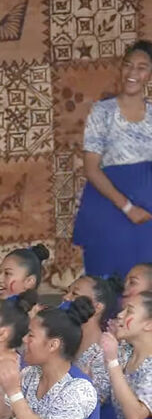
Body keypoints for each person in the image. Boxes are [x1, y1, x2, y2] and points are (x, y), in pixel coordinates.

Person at [73, 40, 152, 278]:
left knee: (145, 283)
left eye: (142, 67)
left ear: (150, 75)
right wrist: (128, 208)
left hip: (147, 211)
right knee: (110, 281)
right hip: (109, 207)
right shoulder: (102, 112)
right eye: (128, 65)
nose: (132, 72)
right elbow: (91, 169)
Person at [97, 291, 152, 419]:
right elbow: (97, 395)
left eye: (129, 311)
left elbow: (135, 416)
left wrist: (112, 362)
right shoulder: (124, 352)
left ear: (148, 324)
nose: (119, 315)